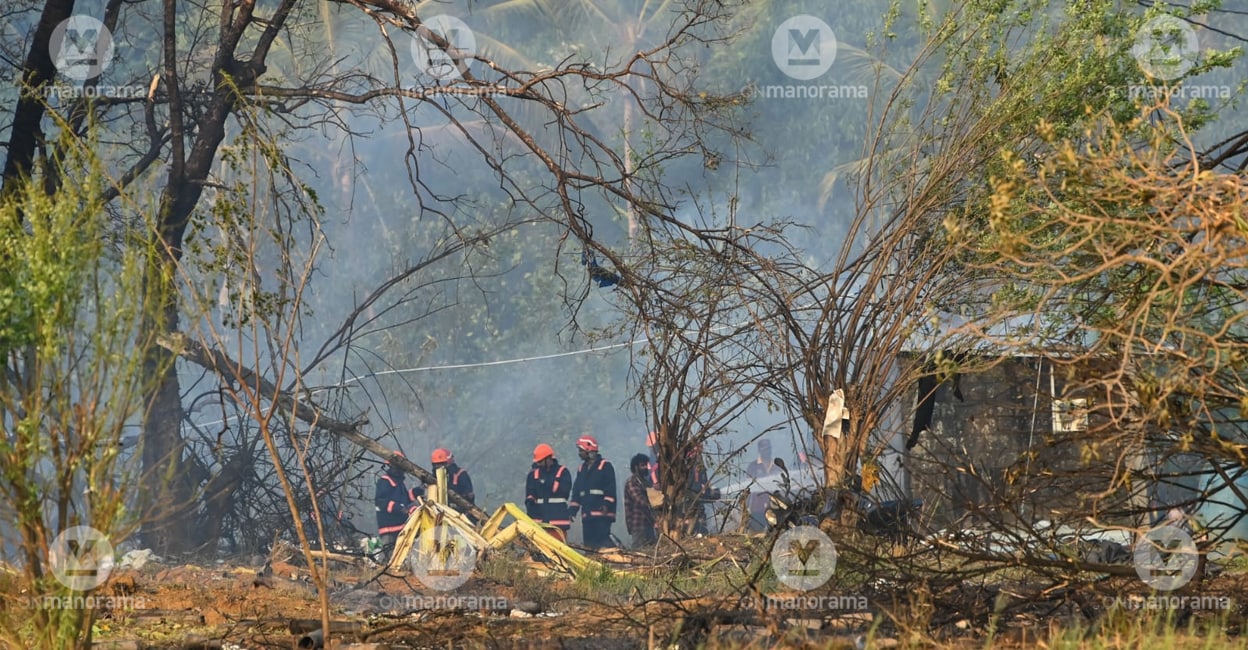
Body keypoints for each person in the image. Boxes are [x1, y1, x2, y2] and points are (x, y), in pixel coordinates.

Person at [568, 434, 617, 549]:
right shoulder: (582, 469)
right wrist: (572, 511)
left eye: (581, 450)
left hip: (602, 516)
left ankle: (614, 554)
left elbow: (611, 489)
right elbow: (577, 492)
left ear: (589, 449)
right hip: (587, 516)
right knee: (589, 547)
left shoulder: (605, 466)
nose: (579, 453)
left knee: (603, 546)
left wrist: (606, 504)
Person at [374, 451, 422, 557]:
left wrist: (416, 492)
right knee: (390, 556)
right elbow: (381, 502)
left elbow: (404, 499)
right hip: (389, 528)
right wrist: (399, 508)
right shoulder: (385, 481)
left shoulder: (398, 482)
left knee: (401, 555)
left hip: (400, 526)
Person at [525, 443, 573, 539]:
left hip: (557, 523)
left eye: (540, 461)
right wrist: (530, 505)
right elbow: (529, 494)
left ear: (548, 459)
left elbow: (565, 492)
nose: (538, 464)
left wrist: (546, 482)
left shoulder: (563, 472)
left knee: (558, 547)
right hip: (539, 523)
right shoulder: (533, 474)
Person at [624, 453, 658, 547]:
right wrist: (656, 502)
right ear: (636, 467)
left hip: (649, 523)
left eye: (646, 465)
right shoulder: (632, 482)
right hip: (638, 524)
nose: (646, 467)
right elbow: (640, 500)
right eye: (642, 465)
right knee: (639, 549)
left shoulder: (645, 482)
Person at [745, 439, 780, 530]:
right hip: (757, 509)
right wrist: (746, 508)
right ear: (759, 450)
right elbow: (748, 489)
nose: (767, 451)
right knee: (757, 534)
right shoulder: (753, 467)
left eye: (768, 449)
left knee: (774, 534)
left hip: (774, 509)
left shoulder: (777, 466)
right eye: (764, 449)